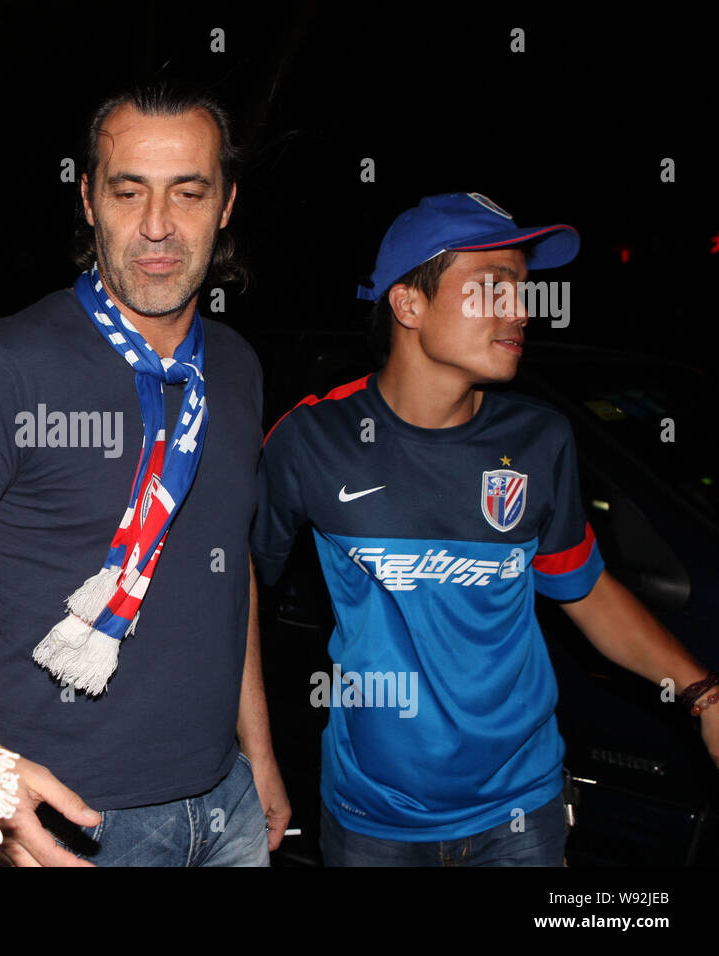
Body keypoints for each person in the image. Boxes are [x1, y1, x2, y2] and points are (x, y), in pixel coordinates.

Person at [0, 82, 288, 867]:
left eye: (188, 193)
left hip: (227, 803)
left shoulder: (236, 366)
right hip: (71, 817)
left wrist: (258, 754)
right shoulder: (2, 365)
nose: (158, 226)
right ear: (89, 199)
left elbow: (230, 571)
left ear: (227, 204)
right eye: (129, 192)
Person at [252, 192, 719, 866]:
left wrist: (704, 695)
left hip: (520, 815)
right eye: (492, 288)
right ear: (408, 305)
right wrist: (253, 752)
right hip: (372, 820)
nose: (521, 310)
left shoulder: (538, 439)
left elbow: (583, 589)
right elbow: (234, 587)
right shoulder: (312, 438)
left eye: (523, 290)